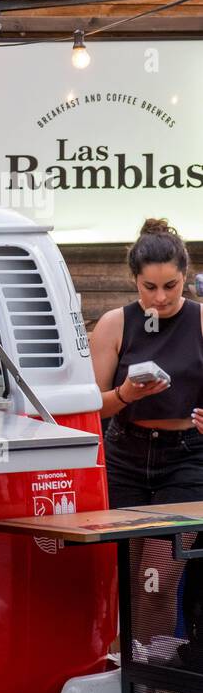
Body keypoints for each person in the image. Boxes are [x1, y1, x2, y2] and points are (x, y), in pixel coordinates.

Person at [90, 219, 203, 639]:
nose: (161, 298)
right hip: (127, 454)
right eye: (149, 287)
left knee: (158, 576)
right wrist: (125, 395)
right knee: (126, 577)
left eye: (171, 286)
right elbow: (92, 406)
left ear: (185, 277)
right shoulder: (114, 324)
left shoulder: (200, 321)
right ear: (134, 280)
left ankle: (153, 690)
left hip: (186, 457)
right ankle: (130, 682)